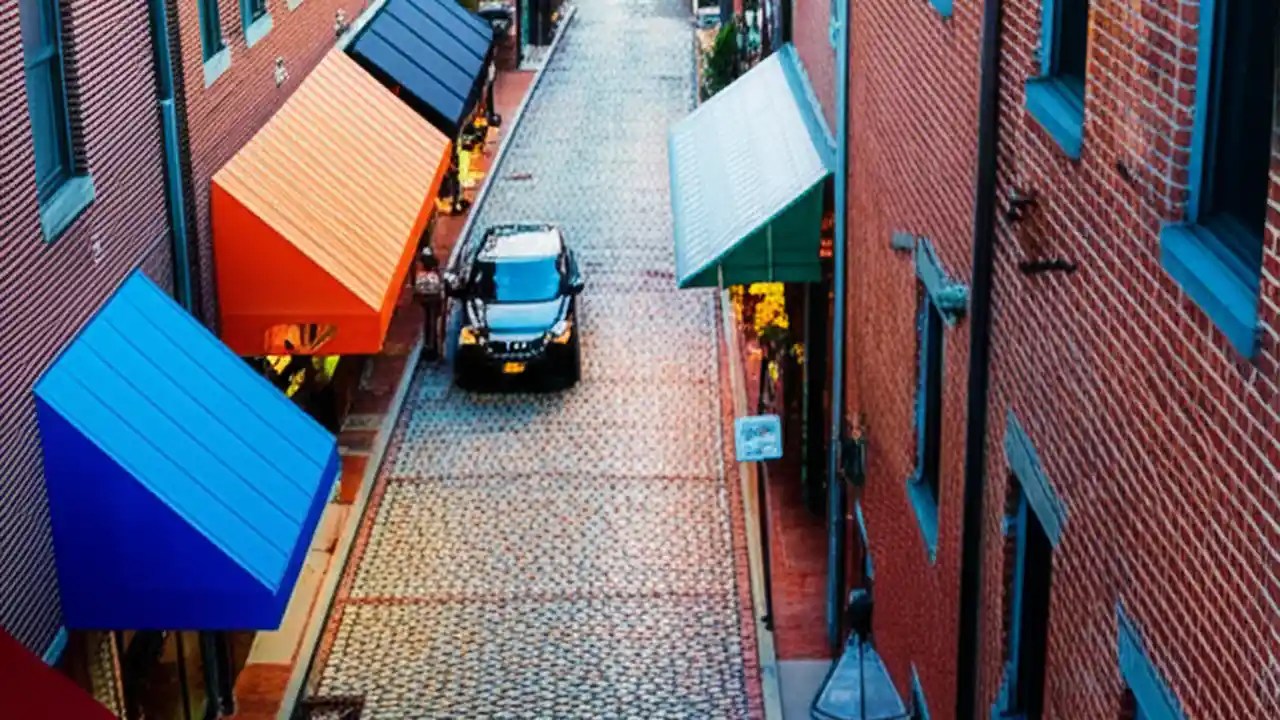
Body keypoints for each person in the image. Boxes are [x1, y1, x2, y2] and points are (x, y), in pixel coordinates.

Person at [413, 248, 446, 362]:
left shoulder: (423, 276)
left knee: (429, 323)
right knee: (433, 324)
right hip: (433, 300)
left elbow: (418, 290)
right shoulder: (434, 276)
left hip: (428, 300)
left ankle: (430, 347)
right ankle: (433, 347)